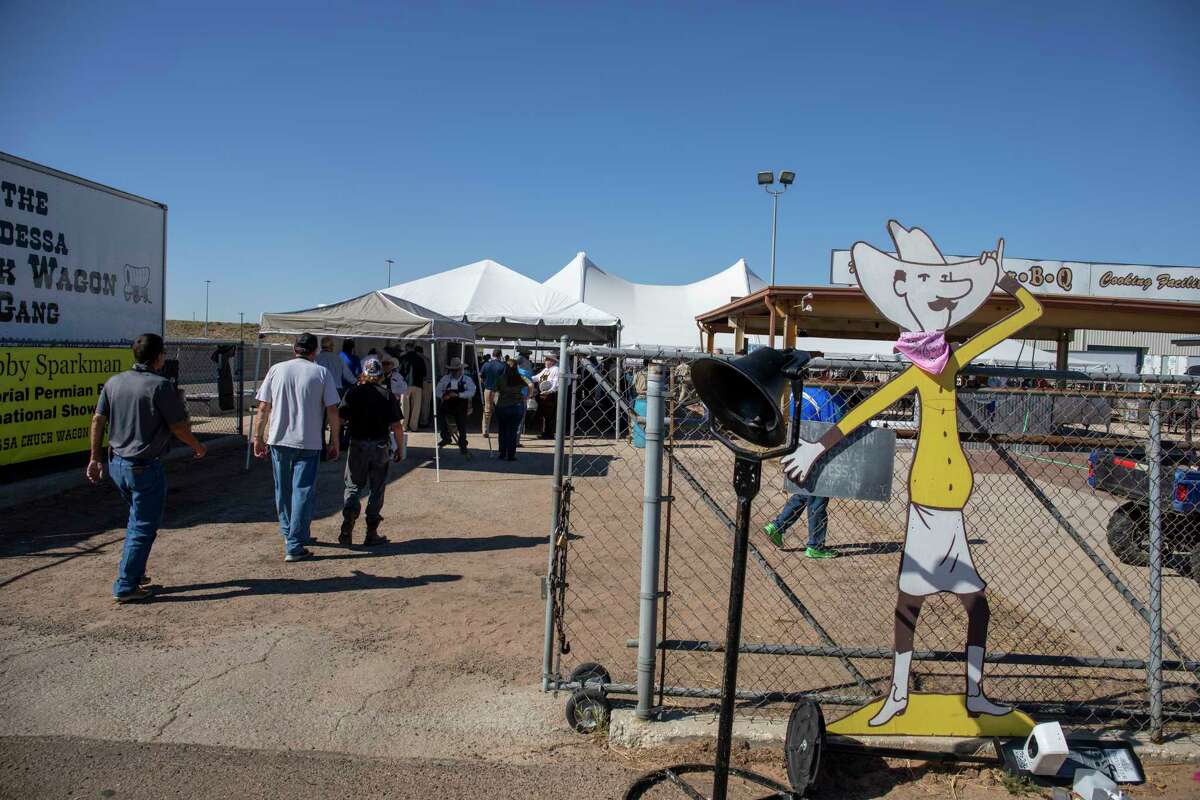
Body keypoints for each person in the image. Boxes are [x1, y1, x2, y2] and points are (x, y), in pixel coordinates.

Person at [782, 220, 1041, 725]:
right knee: (914, 604)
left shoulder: (953, 361)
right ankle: (900, 696)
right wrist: (814, 452)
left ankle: (967, 695)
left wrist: (1003, 279)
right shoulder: (917, 373)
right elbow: (859, 414)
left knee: (967, 606)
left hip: (951, 501)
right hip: (928, 500)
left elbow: (1031, 313)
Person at [88, 333, 206, 603]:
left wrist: (95, 457)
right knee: (143, 526)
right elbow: (178, 426)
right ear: (159, 357)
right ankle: (126, 585)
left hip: (117, 464)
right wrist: (197, 446)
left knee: (136, 520)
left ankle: (135, 572)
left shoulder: (114, 382)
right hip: (143, 467)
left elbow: (97, 420)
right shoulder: (160, 386)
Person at [253, 332, 341, 562]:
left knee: (283, 489)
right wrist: (335, 441)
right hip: (309, 441)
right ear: (315, 352)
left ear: (295, 349)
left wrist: (257, 437)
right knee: (303, 491)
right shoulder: (321, 373)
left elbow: (263, 407)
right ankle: (295, 540)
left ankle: (289, 532)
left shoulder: (276, 369)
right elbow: (333, 411)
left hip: (279, 440)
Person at [762, 379, 844, 558]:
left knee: (806, 491)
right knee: (818, 497)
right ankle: (815, 545)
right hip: (821, 450)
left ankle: (778, 526)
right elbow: (836, 425)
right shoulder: (823, 396)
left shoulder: (796, 391)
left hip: (801, 446)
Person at [338, 357, 404, 546]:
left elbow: (340, 420)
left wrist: (335, 441)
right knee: (377, 488)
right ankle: (371, 532)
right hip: (380, 446)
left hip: (357, 444)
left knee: (353, 486)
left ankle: (347, 524)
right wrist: (400, 448)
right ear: (381, 375)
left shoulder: (352, 393)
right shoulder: (387, 395)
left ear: (364, 374)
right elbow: (397, 426)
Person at [494, 357, 534, 461]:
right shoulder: (520, 377)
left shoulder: (501, 378)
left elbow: (493, 393)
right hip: (517, 407)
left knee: (502, 430)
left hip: (502, 406)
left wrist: (493, 403)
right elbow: (531, 384)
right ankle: (511, 455)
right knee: (513, 431)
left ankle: (502, 453)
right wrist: (528, 396)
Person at [436, 357, 476, 457]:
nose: (454, 372)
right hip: (448, 404)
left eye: (456, 370)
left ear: (461, 370)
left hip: (460, 405)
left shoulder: (467, 379)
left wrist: (459, 395)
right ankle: (445, 437)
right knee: (439, 415)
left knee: (461, 424)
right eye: (452, 370)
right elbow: (437, 390)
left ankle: (463, 444)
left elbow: (471, 392)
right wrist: (443, 396)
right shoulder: (445, 379)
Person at [398, 342, 426, 431]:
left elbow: (400, 372)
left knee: (404, 406)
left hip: (406, 384)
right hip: (418, 384)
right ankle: (414, 426)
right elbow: (424, 373)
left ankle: (404, 426)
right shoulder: (420, 359)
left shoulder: (403, 358)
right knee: (416, 407)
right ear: (413, 348)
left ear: (406, 349)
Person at [479, 348, 506, 437]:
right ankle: (502, 430)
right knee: (501, 410)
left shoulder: (486, 365)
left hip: (488, 389)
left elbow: (481, 378)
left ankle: (485, 430)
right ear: (500, 355)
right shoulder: (503, 366)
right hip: (498, 391)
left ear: (493, 354)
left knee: (487, 410)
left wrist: (485, 383)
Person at [533, 353, 561, 440]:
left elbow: (555, 384)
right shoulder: (545, 370)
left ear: (552, 361)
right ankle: (546, 432)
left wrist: (548, 392)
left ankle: (549, 433)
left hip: (550, 395)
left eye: (547, 359)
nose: (545, 361)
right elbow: (537, 377)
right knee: (546, 415)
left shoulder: (556, 369)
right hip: (544, 395)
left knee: (549, 415)